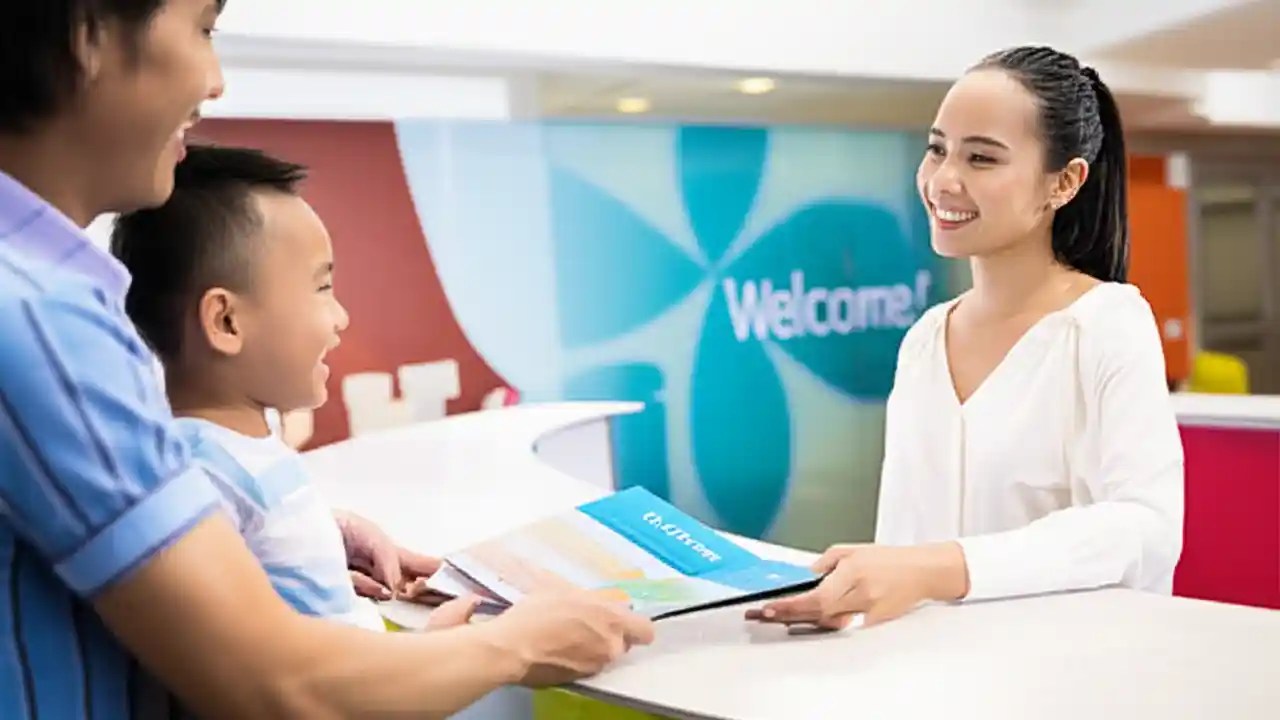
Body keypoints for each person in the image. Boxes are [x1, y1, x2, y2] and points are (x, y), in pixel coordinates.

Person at [0, 2, 653, 719]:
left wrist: (285, 539)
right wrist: (518, 645)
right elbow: (279, 684)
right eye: (203, 29)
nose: (214, 82)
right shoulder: (37, 315)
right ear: (89, 32)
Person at [748, 45, 1184, 630]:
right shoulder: (926, 339)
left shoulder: (1106, 324)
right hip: (930, 681)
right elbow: (902, 535)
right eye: (936, 150)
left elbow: (1143, 527)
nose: (944, 180)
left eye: (982, 158)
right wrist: (860, 601)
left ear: (1064, 182)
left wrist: (936, 568)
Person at [108, 143, 473, 631]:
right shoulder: (203, 476)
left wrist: (326, 540)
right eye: (322, 288)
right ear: (227, 321)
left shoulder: (242, 451)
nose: (340, 318)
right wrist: (438, 650)